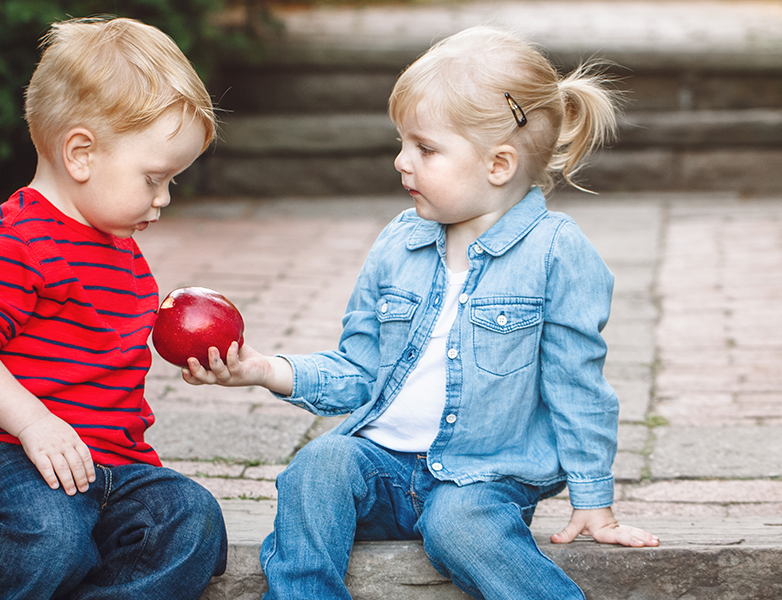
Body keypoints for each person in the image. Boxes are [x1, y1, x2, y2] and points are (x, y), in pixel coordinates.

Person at [183, 25, 659, 600]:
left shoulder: (556, 253)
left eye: (425, 148)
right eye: (404, 143)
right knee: (318, 467)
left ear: (499, 164)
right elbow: (361, 369)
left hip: (484, 476)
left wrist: (593, 501)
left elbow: (576, 385)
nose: (401, 161)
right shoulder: (398, 244)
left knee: (458, 526)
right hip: (381, 465)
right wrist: (265, 369)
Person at [0, 17, 226, 600]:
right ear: (81, 154)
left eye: (171, 183)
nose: (163, 199)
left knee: (193, 519)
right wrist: (33, 422)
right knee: (51, 535)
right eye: (154, 179)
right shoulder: (19, 240)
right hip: (4, 452)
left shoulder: (124, 251)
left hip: (111, 462)